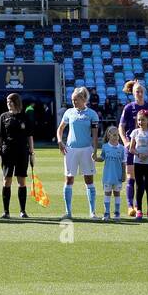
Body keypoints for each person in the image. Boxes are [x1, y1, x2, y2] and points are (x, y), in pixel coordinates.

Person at [118, 81, 148, 217]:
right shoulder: (128, 108)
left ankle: (144, 207)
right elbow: (121, 127)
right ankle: (130, 206)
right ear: (133, 93)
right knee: (130, 176)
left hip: (147, 149)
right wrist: (126, 142)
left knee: (145, 181)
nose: (139, 93)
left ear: (144, 92)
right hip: (132, 147)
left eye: (140, 91)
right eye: (136, 91)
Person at [57, 86, 99, 220]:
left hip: (87, 149)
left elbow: (95, 134)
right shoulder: (69, 112)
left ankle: (92, 212)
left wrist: (95, 150)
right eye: (73, 100)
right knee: (69, 179)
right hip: (71, 150)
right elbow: (60, 129)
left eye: (76, 100)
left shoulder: (92, 114)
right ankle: (68, 212)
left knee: (89, 180)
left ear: (83, 99)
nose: (74, 102)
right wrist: (59, 141)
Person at [0, 92, 36, 218]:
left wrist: (32, 153)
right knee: (7, 180)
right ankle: (6, 211)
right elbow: (0, 135)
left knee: (21, 181)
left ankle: (22, 211)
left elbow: (29, 136)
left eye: (10, 102)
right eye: (7, 102)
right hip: (7, 152)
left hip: (22, 152)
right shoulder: (3, 117)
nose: (8, 104)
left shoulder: (25, 117)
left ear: (16, 102)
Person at [126, 110, 148, 219]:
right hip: (138, 163)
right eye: (139, 120)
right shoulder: (135, 132)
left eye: (143, 119)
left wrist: (147, 155)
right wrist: (138, 154)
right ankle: (139, 210)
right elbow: (131, 148)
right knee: (139, 187)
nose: (140, 122)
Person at [99, 127, 127, 220]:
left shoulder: (122, 148)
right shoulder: (105, 147)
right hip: (107, 176)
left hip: (118, 176)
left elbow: (123, 162)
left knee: (117, 194)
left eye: (117, 135)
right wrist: (95, 158)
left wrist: (124, 174)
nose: (116, 137)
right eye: (114, 135)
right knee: (107, 194)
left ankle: (117, 213)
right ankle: (106, 213)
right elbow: (102, 158)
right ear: (109, 135)